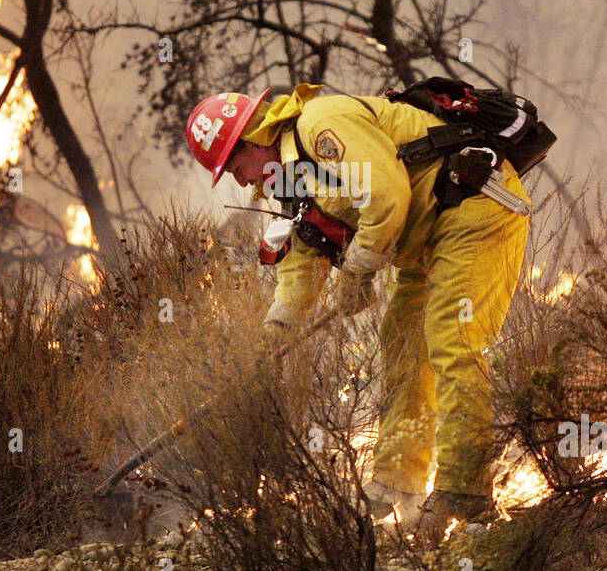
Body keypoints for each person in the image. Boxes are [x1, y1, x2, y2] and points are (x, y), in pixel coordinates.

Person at [184, 83, 529, 538]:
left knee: (451, 340)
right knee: (402, 346)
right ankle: (395, 486)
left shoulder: (322, 124)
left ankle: (465, 493)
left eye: (234, 167)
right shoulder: (290, 177)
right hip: (429, 236)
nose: (241, 181)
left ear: (254, 140)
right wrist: (277, 330)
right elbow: (305, 255)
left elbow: (385, 196)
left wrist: (357, 272)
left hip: (476, 211)